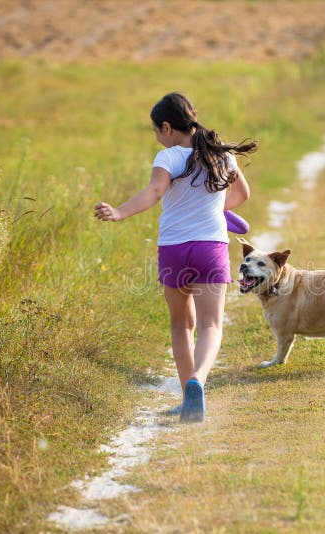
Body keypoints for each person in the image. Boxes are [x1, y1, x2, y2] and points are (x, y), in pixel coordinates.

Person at [94, 92, 256, 422]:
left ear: (167, 127)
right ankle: (199, 379)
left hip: (174, 249)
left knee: (181, 325)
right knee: (211, 325)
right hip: (211, 247)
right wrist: (214, 209)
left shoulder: (167, 158)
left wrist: (120, 212)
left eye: (156, 130)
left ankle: (187, 398)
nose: (156, 137)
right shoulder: (223, 156)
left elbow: (154, 192)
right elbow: (242, 195)